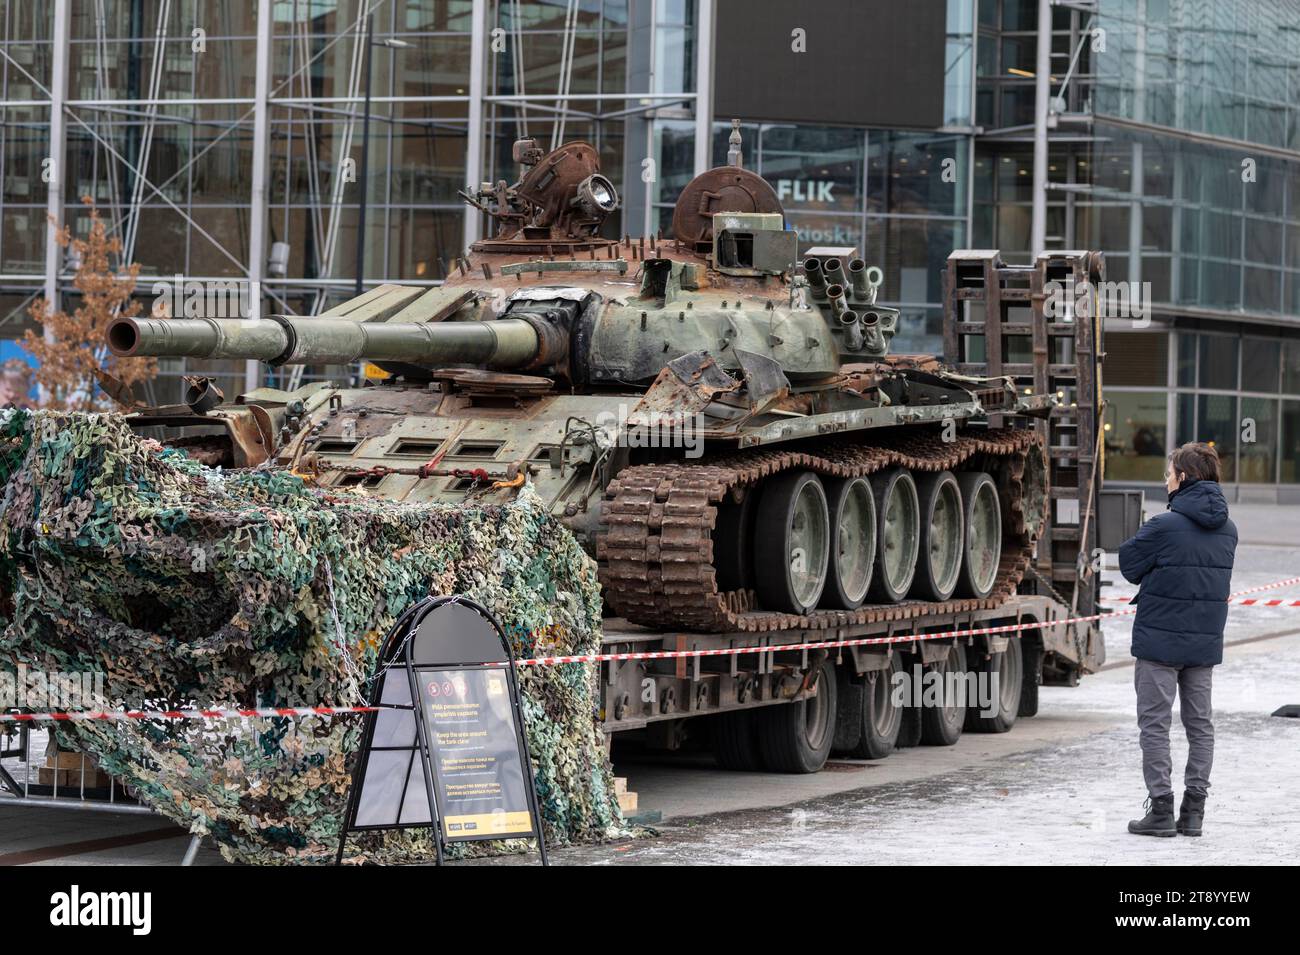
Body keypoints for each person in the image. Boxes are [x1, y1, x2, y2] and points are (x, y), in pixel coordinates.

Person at [1119, 442, 1237, 837]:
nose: (1166, 480)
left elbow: (1128, 565)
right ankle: (1194, 813)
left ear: (1182, 478)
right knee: (1200, 725)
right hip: (1203, 645)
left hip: (1158, 644)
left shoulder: (1163, 525)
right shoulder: (1229, 529)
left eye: (1168, 473)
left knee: (1154, 724)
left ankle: (1161, 810)